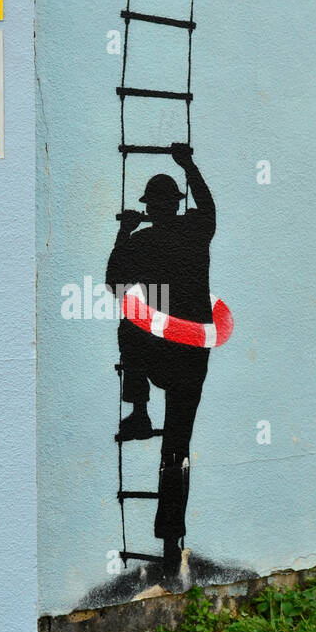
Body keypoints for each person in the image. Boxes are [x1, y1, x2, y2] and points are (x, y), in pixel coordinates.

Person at [106, 142, 216, 572]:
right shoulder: (195, 231)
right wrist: (188, 164)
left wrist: (125, 231)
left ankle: (138, 409)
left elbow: (114, 281)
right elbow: (206, 203)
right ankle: (171, 538)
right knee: (177, 447)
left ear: (151, 207)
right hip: (191, 353)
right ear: (175, 204)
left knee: (129, 323)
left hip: (167, 351)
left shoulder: (147, 241)